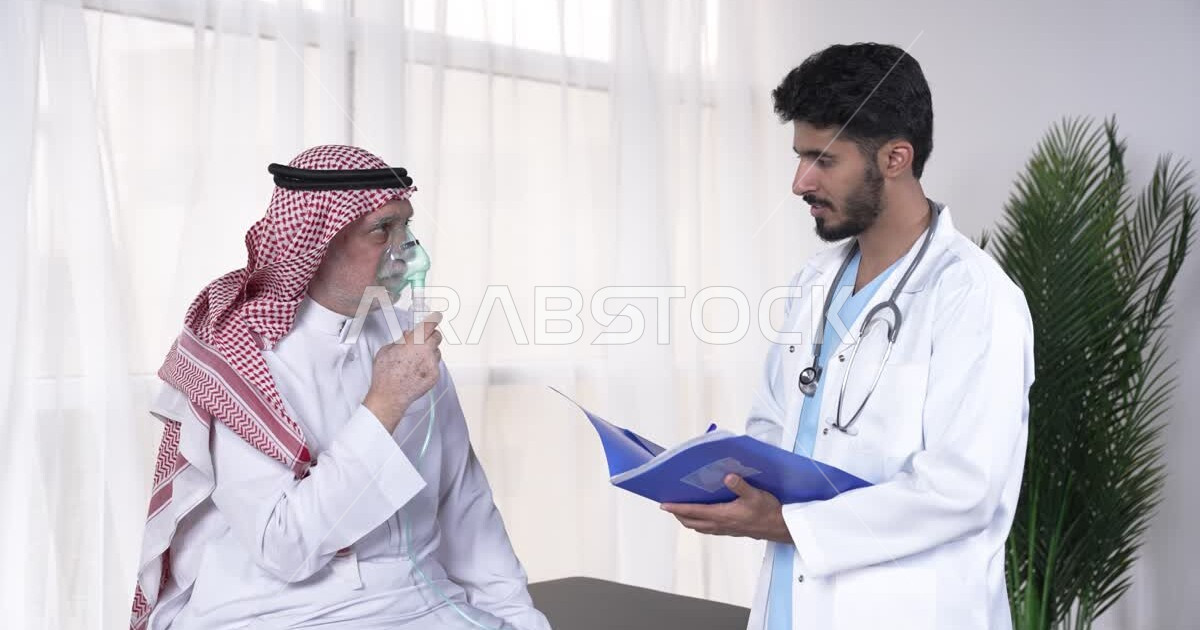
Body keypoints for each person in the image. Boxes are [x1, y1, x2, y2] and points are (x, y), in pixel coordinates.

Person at [661, 43, 1035, 629]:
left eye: (823, 160)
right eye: (800, 157)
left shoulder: (975, 297)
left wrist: (784, 522)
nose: (799, 183)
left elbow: (964, 490)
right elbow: (773, 420)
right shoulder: (816, 281)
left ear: (895, 158)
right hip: (790, 606)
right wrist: (725, 478)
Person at [130, 145, 550, 630]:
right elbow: (284, 548)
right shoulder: (239, 359)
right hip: (279, 613)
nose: (408, 251)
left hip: (423, 606)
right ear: (321, 242)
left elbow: (466, 510)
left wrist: (522, 622)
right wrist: (385, 403)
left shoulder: (405, 338)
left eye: (406, 226)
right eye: (383, 229)